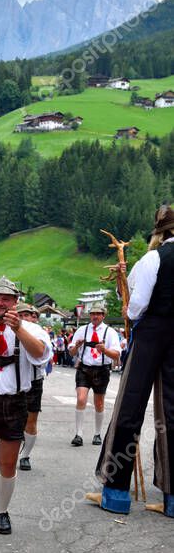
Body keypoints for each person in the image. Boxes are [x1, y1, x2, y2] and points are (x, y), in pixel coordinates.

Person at [90, 205, 174, 518]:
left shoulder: (154, 258)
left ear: (160, 232)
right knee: (171, 413)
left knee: (130, 405)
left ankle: (115, 493)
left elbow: (136, 307)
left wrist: (128, 313)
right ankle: (172, 499)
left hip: (151, 335)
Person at [0, 276, 51, 549]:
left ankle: (1, 510)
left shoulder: (33, 330)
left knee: (7, 465)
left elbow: (41, 357)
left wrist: (19, 331)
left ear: (15, 302)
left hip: (15, 403)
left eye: (6, 298)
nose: (0, 302)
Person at [68, 302, 120, 447]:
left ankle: (97, 433)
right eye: (92, 314)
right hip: (84, 369)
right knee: (81, 398)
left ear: (103, 316)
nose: (95, 316)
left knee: (99, 403)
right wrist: (77, 346)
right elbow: (71, 352)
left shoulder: (110, 332)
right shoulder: (82, 330)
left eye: (98, 314)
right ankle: (78, 434)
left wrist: (105, 350)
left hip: (102, 370)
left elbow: (116, 354)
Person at [17, 302, 50, 471]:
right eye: (20, 315)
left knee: (31, 420)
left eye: (26, 315)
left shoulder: (39, 332)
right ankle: (8, 455)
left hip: (33, 381)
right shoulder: (8, 331)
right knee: (11, 421)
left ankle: (25, 456)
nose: (23, 318)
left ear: (32, 317)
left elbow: (42, 354)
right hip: (14, 382)